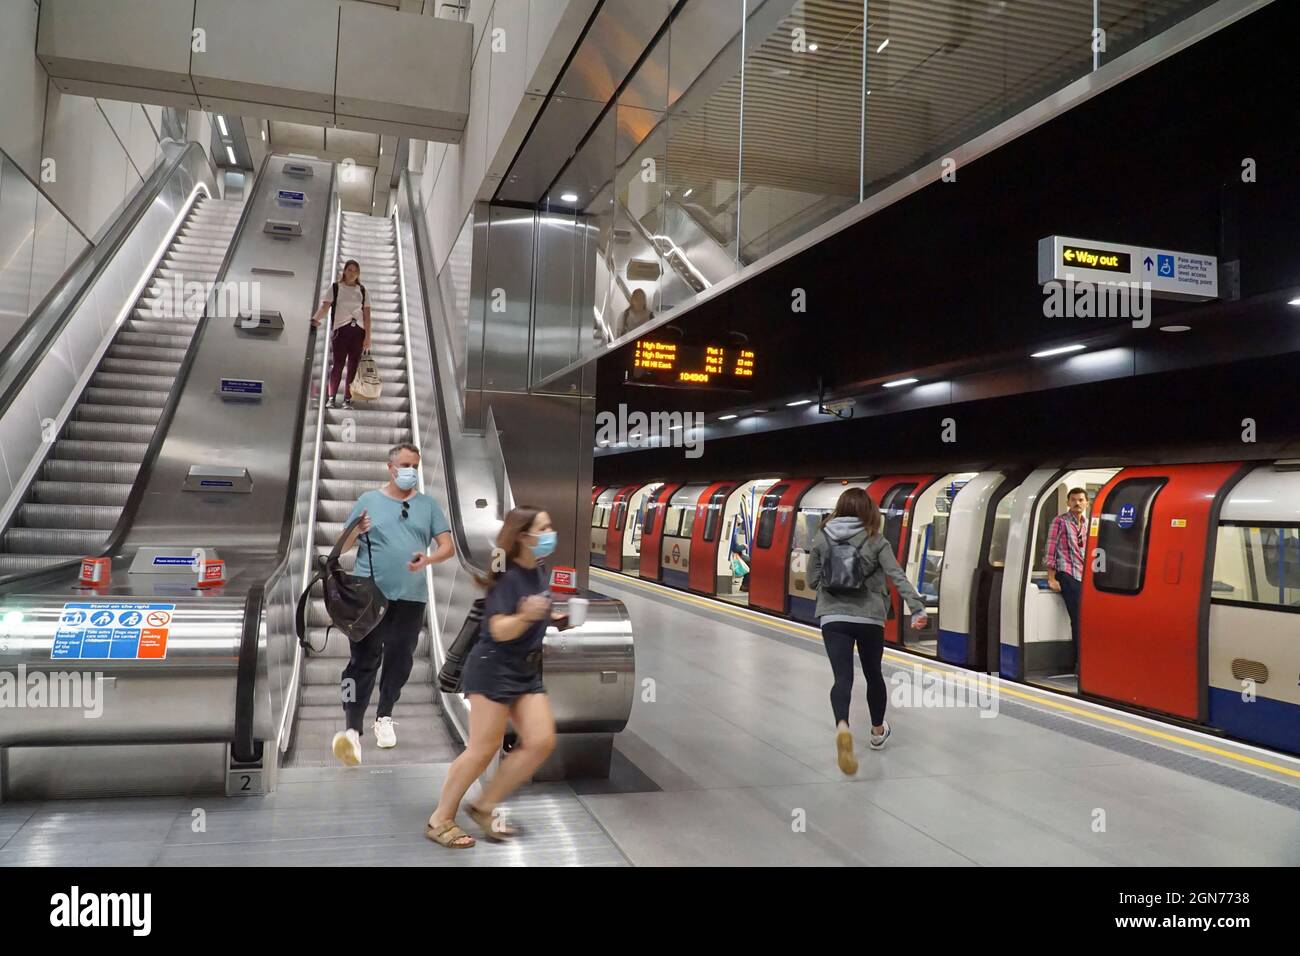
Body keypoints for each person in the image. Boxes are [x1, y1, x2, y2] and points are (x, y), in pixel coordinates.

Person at [425, 507, 563, 849]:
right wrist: (525, 616)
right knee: (483, 748)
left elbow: (534, 612)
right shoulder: (507, 575)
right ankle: (440, 818)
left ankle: (484, 806)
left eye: (549, 527)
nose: (550, 533)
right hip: (493, 667)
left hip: (524, 670)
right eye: (542, 528)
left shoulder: (540, 570)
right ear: (522, 536)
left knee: (541, 740)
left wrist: (552, 616)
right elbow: (500, 629)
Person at [331, 443, 454, 765]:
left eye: (414, 464)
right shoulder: (368, 501)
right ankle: (352, 730)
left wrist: (428, 559)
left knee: (400, 660)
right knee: (361, 662)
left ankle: (384, 715)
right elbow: (341, 548)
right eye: (404, 464)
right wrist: (356, 530)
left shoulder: (428, 505)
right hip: (369, 597)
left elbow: (447, 547)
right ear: (390, 468)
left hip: (410, 597)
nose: (410, 470)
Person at [807, 487, 928, 775]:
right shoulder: (876, 539)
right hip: (871, 617)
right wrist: (918, 608)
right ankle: (876, 731)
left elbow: (812, 581)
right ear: (869, 511)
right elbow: (896, 575)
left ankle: (842, 727)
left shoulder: (822, 537)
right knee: (873, 674)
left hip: (833, 617)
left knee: (842, 678)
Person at [310, 259, 371, 409]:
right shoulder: (336, 288)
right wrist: (315, 319)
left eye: (355, 271)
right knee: (338, 364)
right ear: (344, 271)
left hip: (358, 332)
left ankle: (347, 399)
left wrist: (368, 337)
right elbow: (325, 307)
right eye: (349, 270)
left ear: (358, 274)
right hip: (340, 331)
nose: (352, 273)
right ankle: (331, 398)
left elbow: (367, 314)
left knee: (353, 366)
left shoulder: (363, 290)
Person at [1045, 486, 1089, 645]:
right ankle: (1077, 661)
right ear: (1068, 503)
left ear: (1087, 503)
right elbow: (1051, 549)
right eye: (1073, 500)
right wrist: (1051, 578)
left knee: (1086, 617)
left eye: (1081, 500)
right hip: (1067, 573)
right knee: (1078, 618)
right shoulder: (1060, 521)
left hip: (1083, 574)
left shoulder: (1087, 524)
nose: (1077, 503)